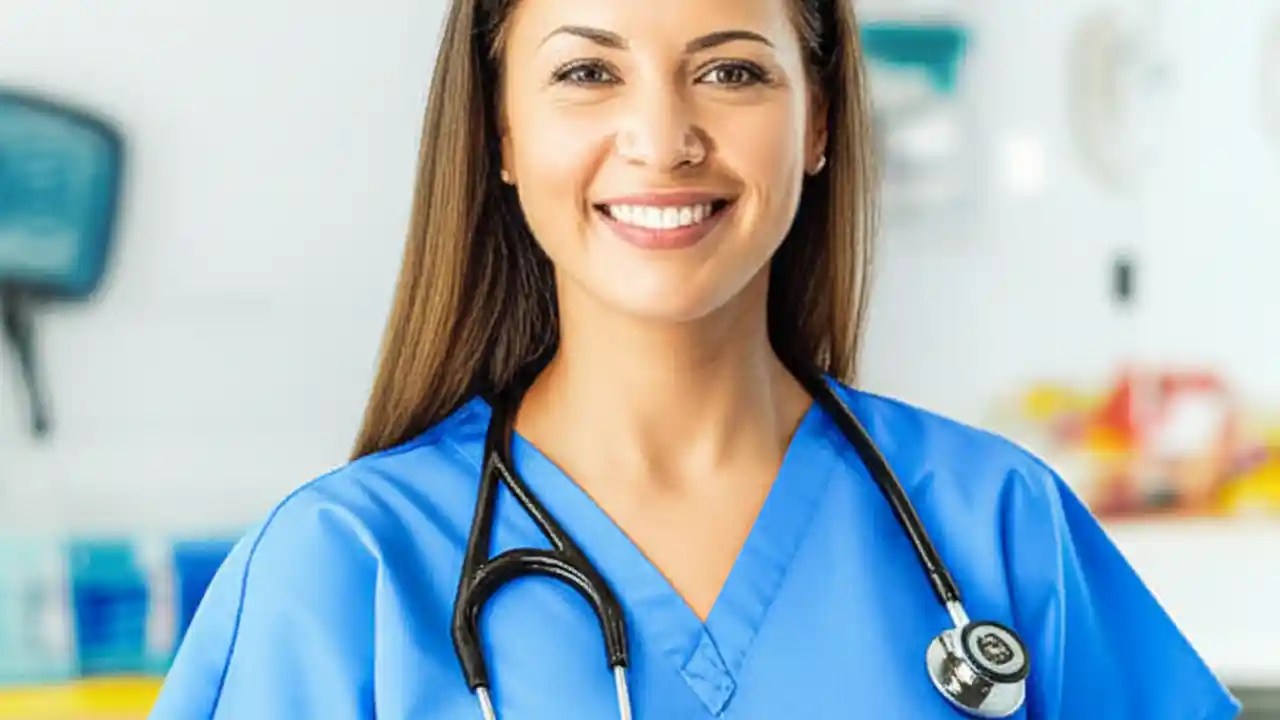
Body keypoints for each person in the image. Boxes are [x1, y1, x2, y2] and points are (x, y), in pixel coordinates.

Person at [149, 0, 1241, 717]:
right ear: (500, 135)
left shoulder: (995, 524)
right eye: (586, 74)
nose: (662, 137)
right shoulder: (346, 569)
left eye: (728, 72)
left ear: (816, 124)